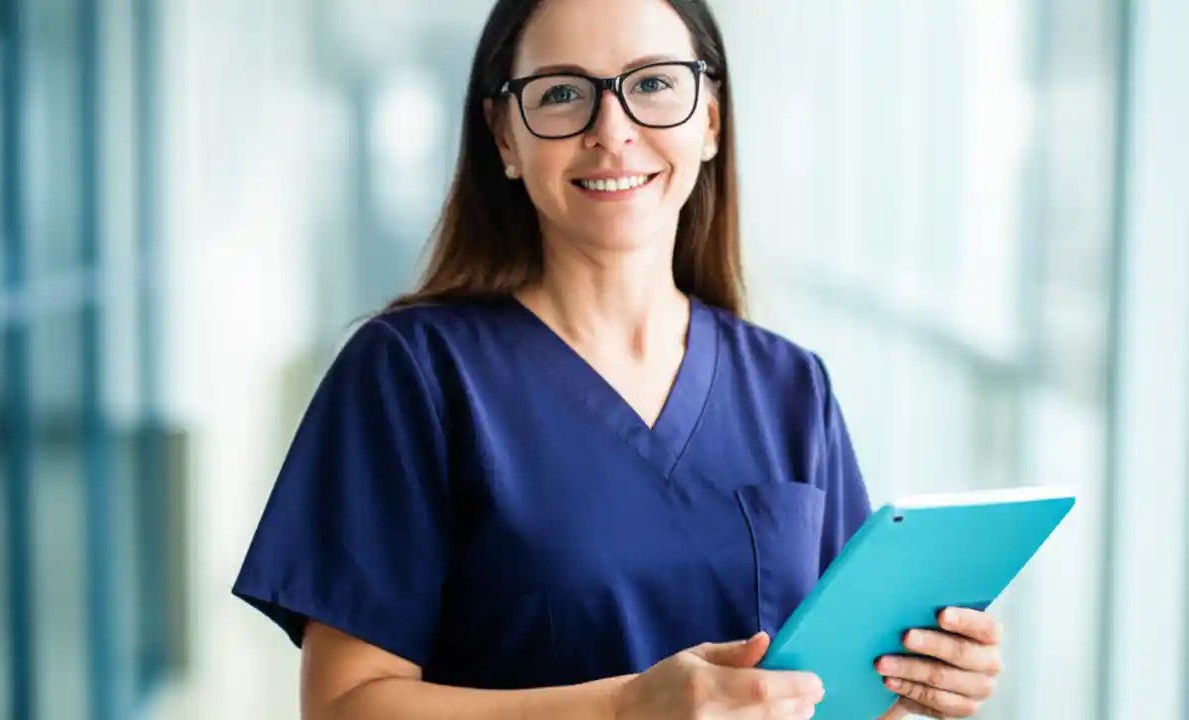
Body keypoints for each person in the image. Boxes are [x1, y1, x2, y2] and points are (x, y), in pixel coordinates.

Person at [232, 0, 1005, 717]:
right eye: (563, 93)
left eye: (655, 84)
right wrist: (622, 709)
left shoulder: (789, 384)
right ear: (505, 136)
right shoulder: (412, 373)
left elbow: (822, 688)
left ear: (711, 121)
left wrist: (910, 686)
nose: (612, 129)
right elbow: (346, 705)